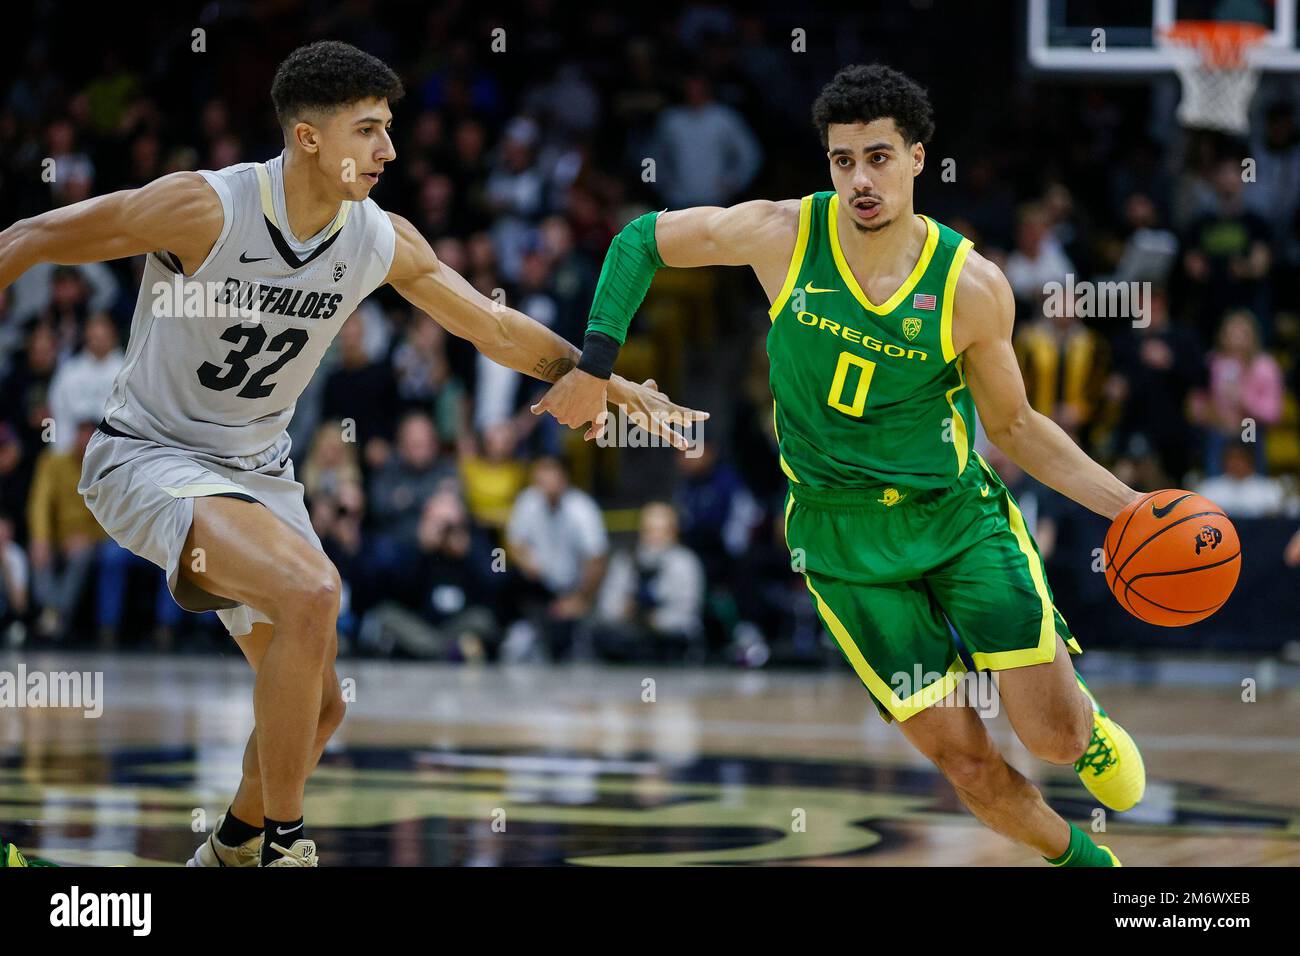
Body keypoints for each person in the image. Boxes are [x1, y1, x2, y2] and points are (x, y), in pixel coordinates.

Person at [0, 39, 701, 867]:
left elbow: (494, 327)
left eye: (390, 130)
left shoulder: (376, 238)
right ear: (308, 139)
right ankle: (285, 846)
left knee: (318, 710)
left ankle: (227, 851)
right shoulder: (206, 209)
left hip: (259, 473)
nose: (389, 150)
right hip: (148, 456)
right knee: (313, 592)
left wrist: (610, 384)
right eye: (369, 131)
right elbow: (32, 232)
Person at [539, 64, 1145, 867]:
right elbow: (639, 239)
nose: (861, 179)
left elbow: (1018, 427)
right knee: (964, 762)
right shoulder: (782, 235)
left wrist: (1131, 507)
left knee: (1055, 739)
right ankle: (1085, 864)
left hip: (956, 518)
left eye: (880, 157)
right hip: (840, 540)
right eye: (843, 159)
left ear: (919, 158)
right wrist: (594, 363)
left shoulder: (971, 286)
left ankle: (1086, 728)